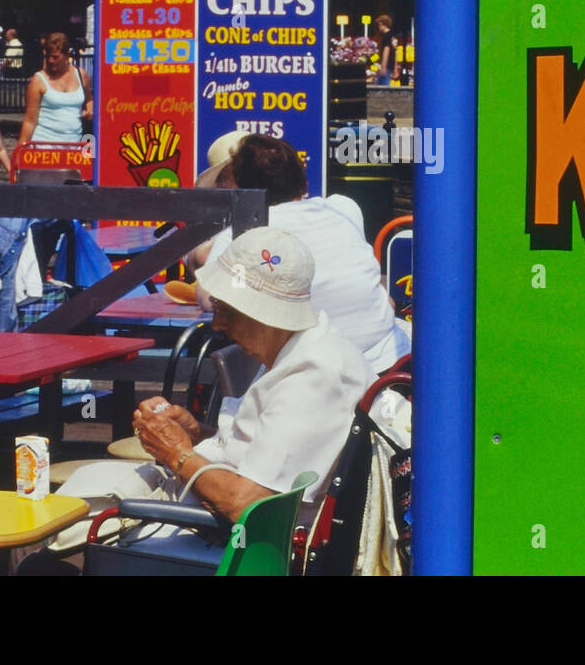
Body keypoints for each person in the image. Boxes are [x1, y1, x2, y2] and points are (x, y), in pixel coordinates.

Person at [29, 227, 373, 569]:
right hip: (227, 531)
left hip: (248, 550)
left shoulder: (309, 378)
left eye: (225, 310)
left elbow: (247, 504)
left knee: (45, 562)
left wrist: (176, 453)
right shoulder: (302, 348)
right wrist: (197, 434)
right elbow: (265, 451)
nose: (217, 323)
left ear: (262, 314)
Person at [188, 134, 408, 374]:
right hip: (392, 360)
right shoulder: (343, 207)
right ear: (301, 180)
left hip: (320, 373)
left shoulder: (244, 233)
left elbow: (209, 297)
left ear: (238, 188)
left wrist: (200, 257)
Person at [17, 31, 92, 146]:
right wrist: (20, 150)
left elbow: (89, 100)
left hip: (74, 148)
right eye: (48, 56)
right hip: (44, 146)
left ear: (67, 55)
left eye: (55, 57)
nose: (51, 61)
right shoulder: (38, 80)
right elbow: (29, 121)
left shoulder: (81, 75)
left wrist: (90, 111)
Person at [375, 14, 399, 86]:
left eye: (379, 25)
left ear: (382, 24)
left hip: (386, 66)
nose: (378, 27)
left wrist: (383, 66)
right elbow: (395, 52)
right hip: (391, 65)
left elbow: (386, 50)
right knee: (379, 84)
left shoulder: (386, 36)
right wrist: (395, 68)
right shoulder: (393, 36)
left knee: (383, 87)